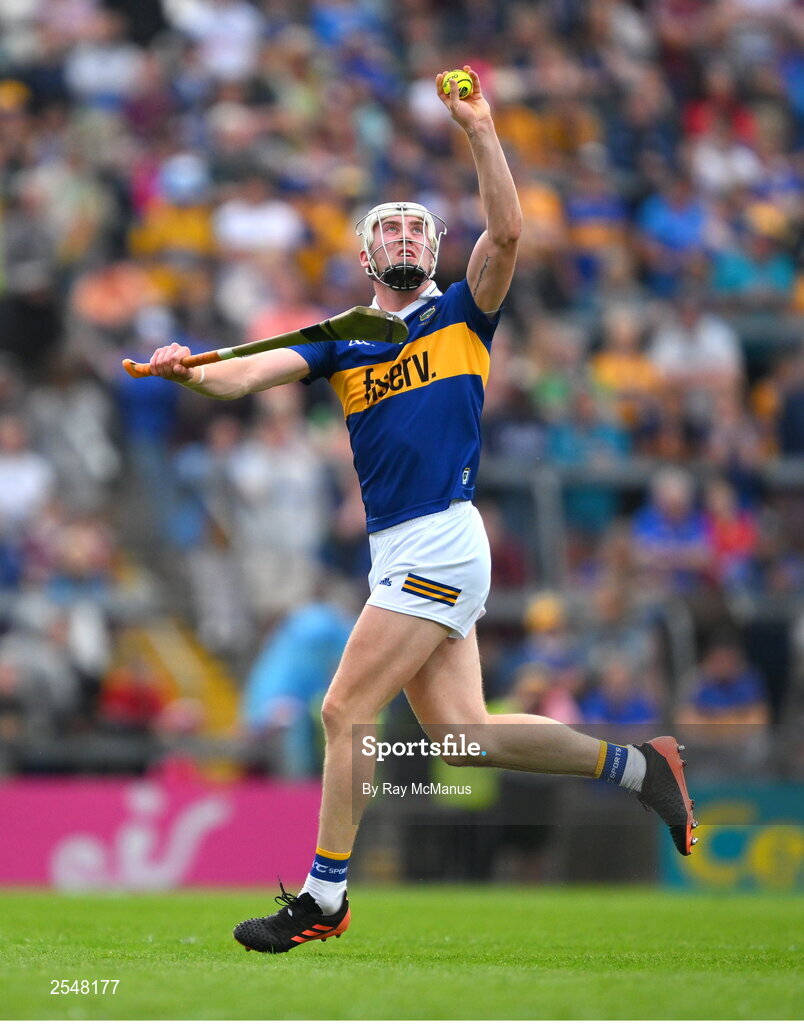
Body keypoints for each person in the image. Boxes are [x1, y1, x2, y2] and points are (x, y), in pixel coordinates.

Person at [146, 67, 697, 956]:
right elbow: (242, 373)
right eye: (388, 229)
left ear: (434, 250)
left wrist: (479, 128)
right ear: (368, 256)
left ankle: (324, 897)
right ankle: (640, 768)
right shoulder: (342, 336)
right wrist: (188, 369)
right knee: (465, 738)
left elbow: (508, 232)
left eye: (416, 228)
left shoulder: (463, 314)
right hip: (400, 546)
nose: (403, 236)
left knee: (343, 710)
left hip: (440, 535)